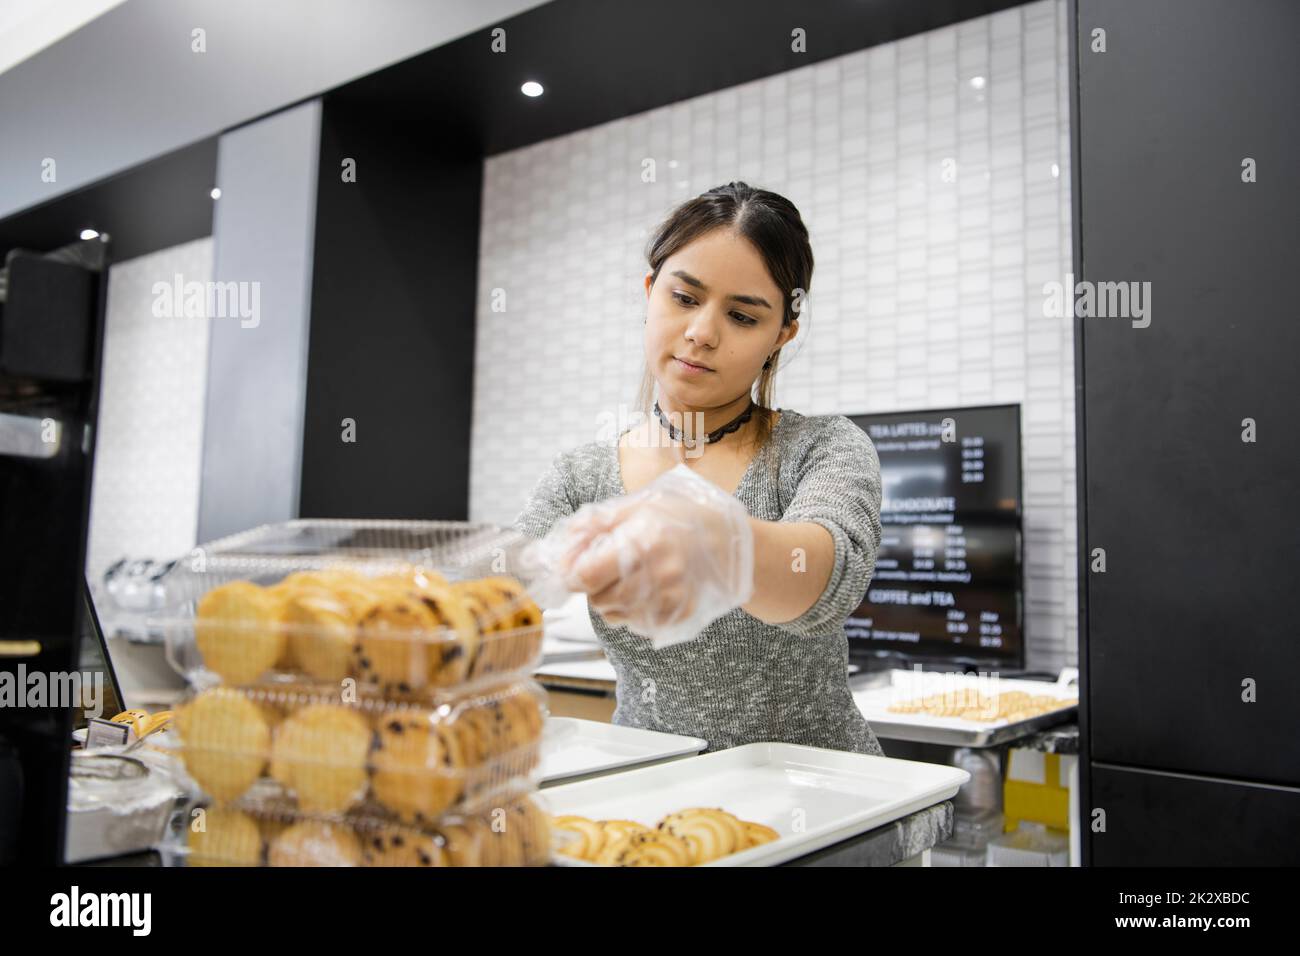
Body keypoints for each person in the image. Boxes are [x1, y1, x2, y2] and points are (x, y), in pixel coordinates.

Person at [513, 181, 884, 755]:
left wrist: (717, 541)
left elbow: (825, 580)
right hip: (649, 795)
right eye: (684, 299)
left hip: (819, 800)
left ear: (782, 332)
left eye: (741, 316)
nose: (701, 333)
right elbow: (502, 593)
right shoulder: (581, 477)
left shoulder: (823, 448)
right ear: (649, 292)